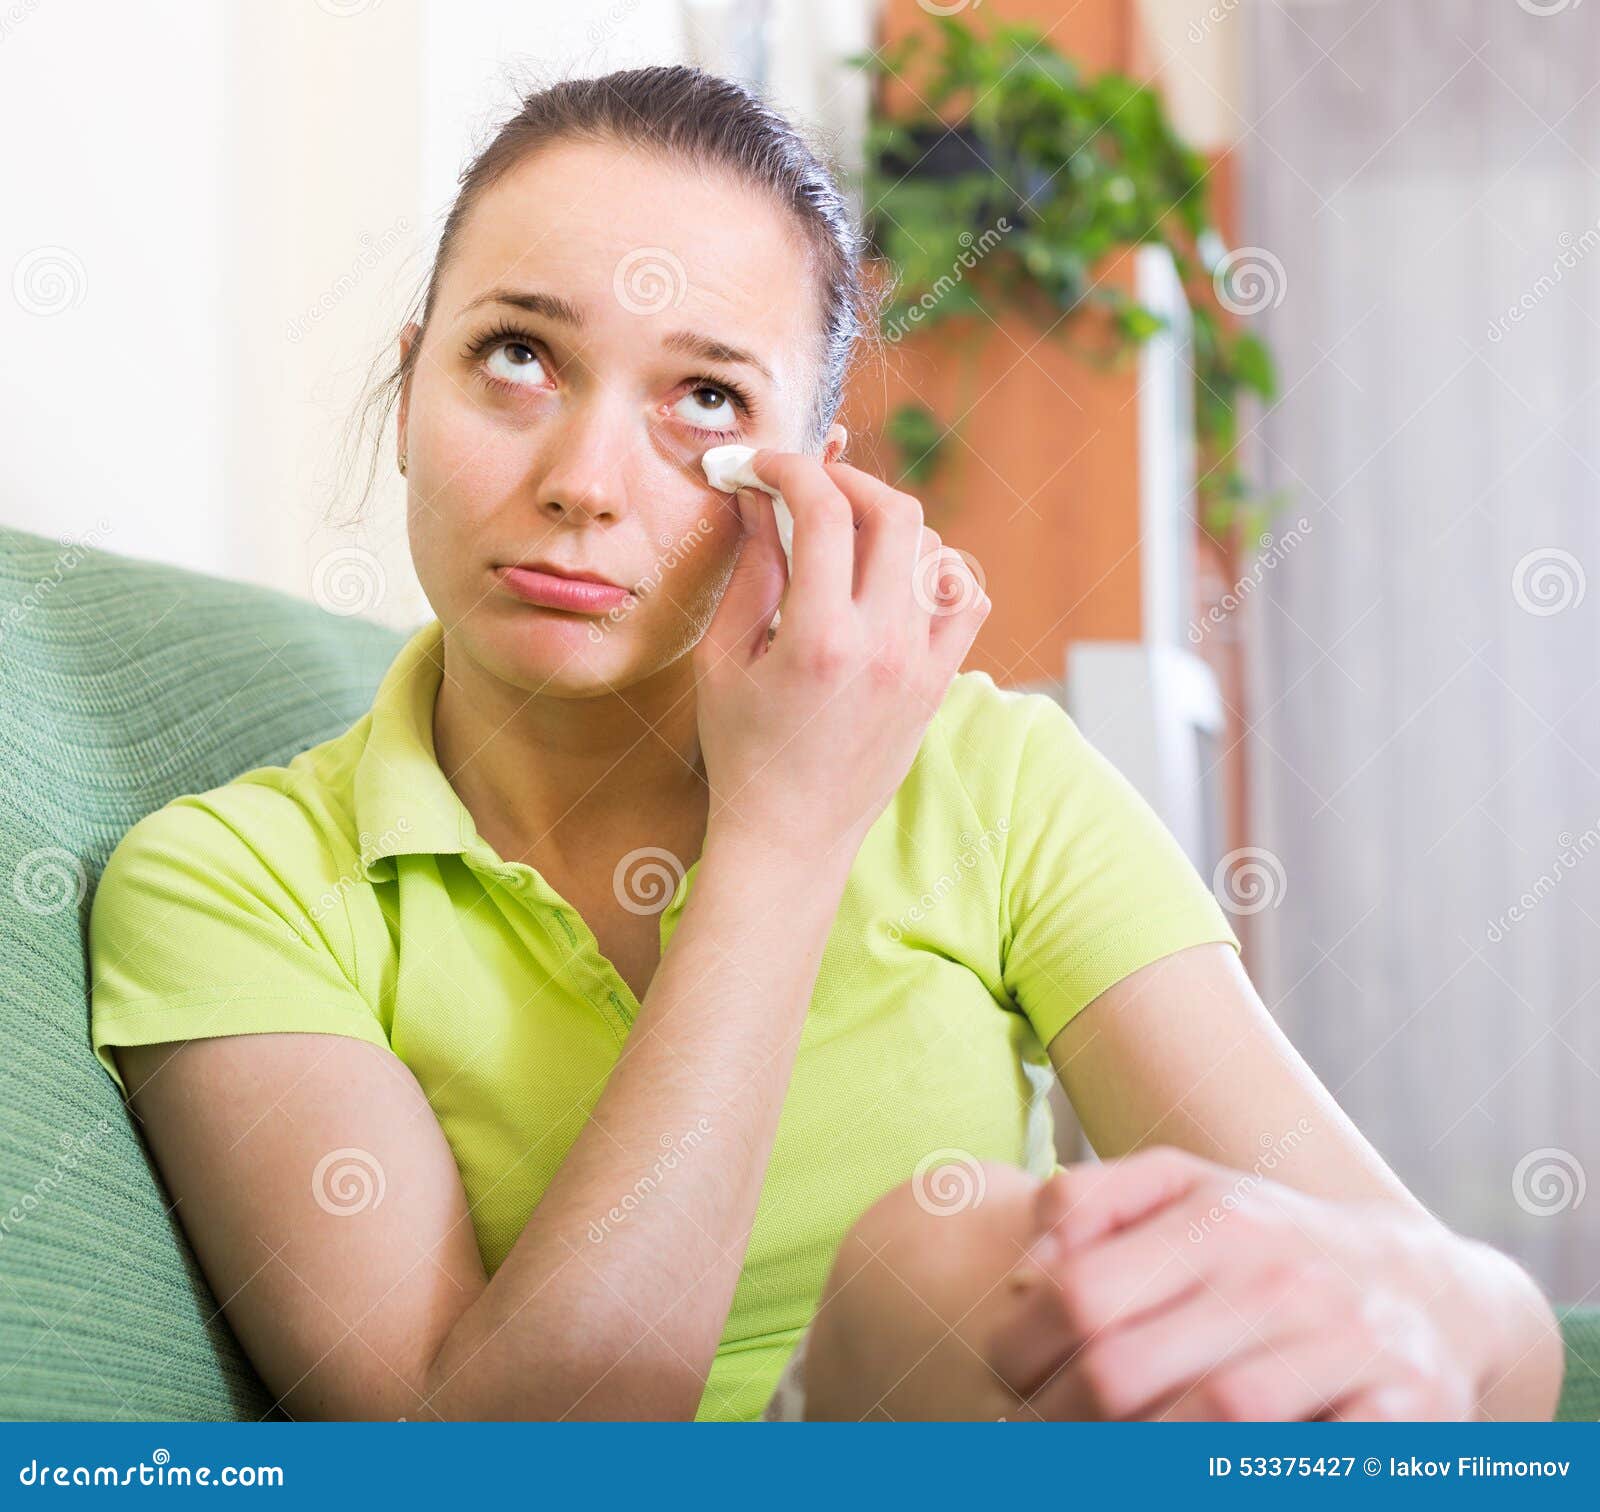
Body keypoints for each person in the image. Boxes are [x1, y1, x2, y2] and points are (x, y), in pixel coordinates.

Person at [87, 65, 1562, 1423]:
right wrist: (784, 837)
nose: (584, 482)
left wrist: (1448, 1296)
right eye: (519, 353)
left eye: (706, 398)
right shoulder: (228, 882)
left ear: (809, 483)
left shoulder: (990, 778)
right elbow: (504, 1461)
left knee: (971, 1259)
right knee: (935, 1258)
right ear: (413, 389)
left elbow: (1470, 1346)